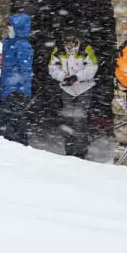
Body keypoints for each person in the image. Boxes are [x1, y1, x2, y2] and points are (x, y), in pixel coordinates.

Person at [48, 30, 100, 158]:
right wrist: (62, 76)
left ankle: (81, 151)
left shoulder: (86, 49)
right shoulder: (58, 50)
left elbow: (92, 67)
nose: (69, 45)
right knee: (68, 119)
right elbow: (52, 67)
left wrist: (77, 77)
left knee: (79, 119)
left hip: (83, 88)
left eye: (72, 42)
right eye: (67, 42)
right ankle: (70, 150)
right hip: (67, 89)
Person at [0, 13, 35, 145]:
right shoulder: (10, 43)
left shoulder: (23, 46)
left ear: (18, 28)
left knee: (14, 122)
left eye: (11, 27)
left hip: (17, 90)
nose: (8, 30)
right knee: (8, 122)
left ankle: (18, 147)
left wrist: (21, 91)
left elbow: (25, 70)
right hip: (9, 89)